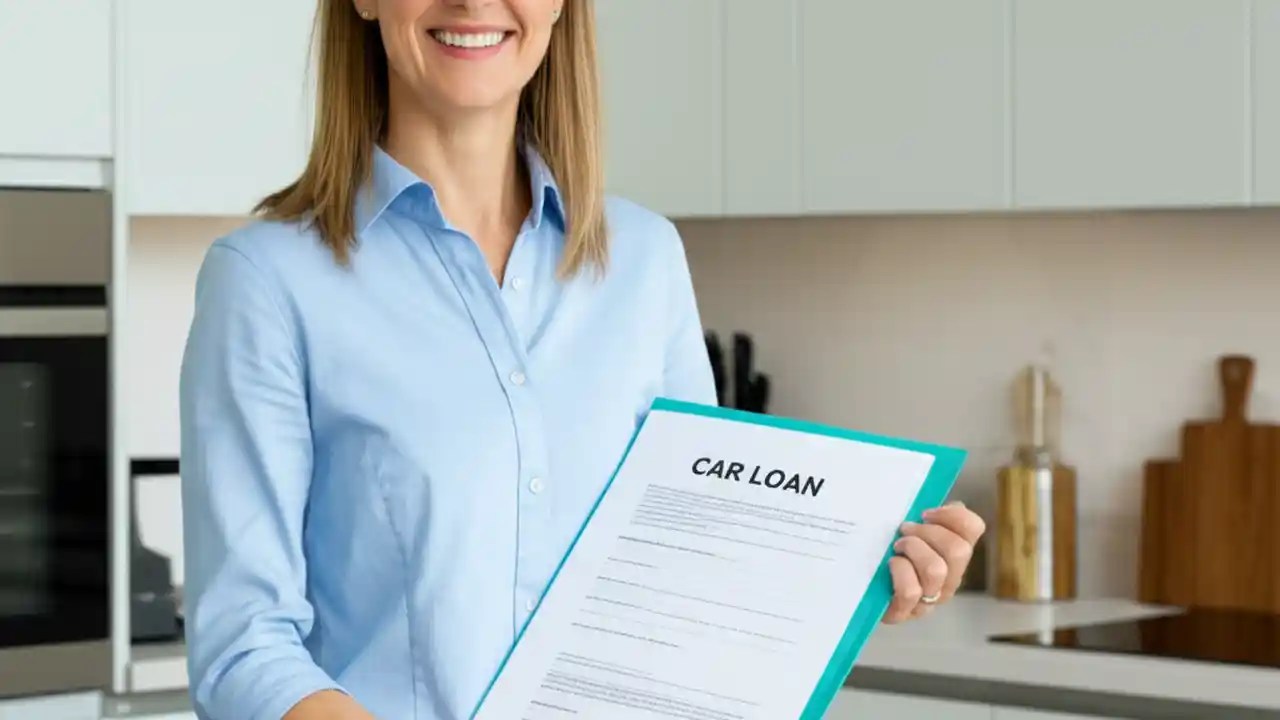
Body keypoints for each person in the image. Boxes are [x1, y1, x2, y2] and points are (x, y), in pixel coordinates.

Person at [178, 0, 988, 718]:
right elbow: (242, 645)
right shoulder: (268, 281)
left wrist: (861, 573)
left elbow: (700, 575)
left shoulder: (644, 259)